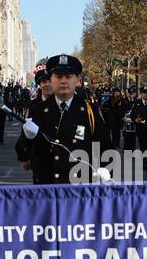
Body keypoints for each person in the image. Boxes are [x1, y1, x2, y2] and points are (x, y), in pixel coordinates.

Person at [21, 54, 104, 184]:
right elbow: (26, 150)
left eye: (69, 77)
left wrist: (104, 171)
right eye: (58, 77)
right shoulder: (38, 111)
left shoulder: (89, 110)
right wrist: (28, 139)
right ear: (52, 79)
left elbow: (104, 146)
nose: (64, 81)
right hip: (47, 186)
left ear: (77, 80)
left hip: (79, 187)